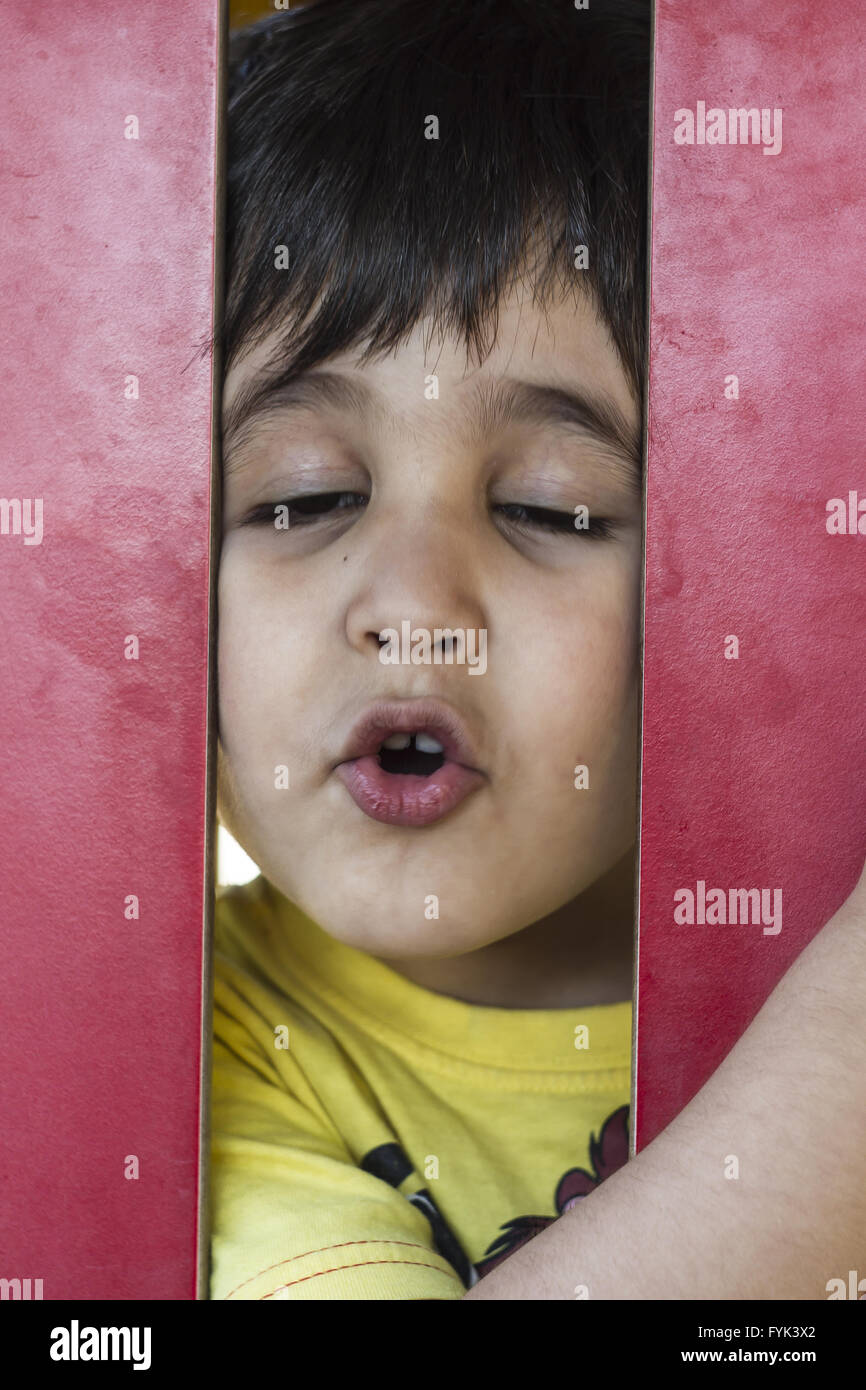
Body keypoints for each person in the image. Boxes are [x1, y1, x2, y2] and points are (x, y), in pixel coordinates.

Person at [208, 0, 866, 1300]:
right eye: (301, 497)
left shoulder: (808, 934)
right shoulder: (189, 1044)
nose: (409, 604)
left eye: (548, 509)